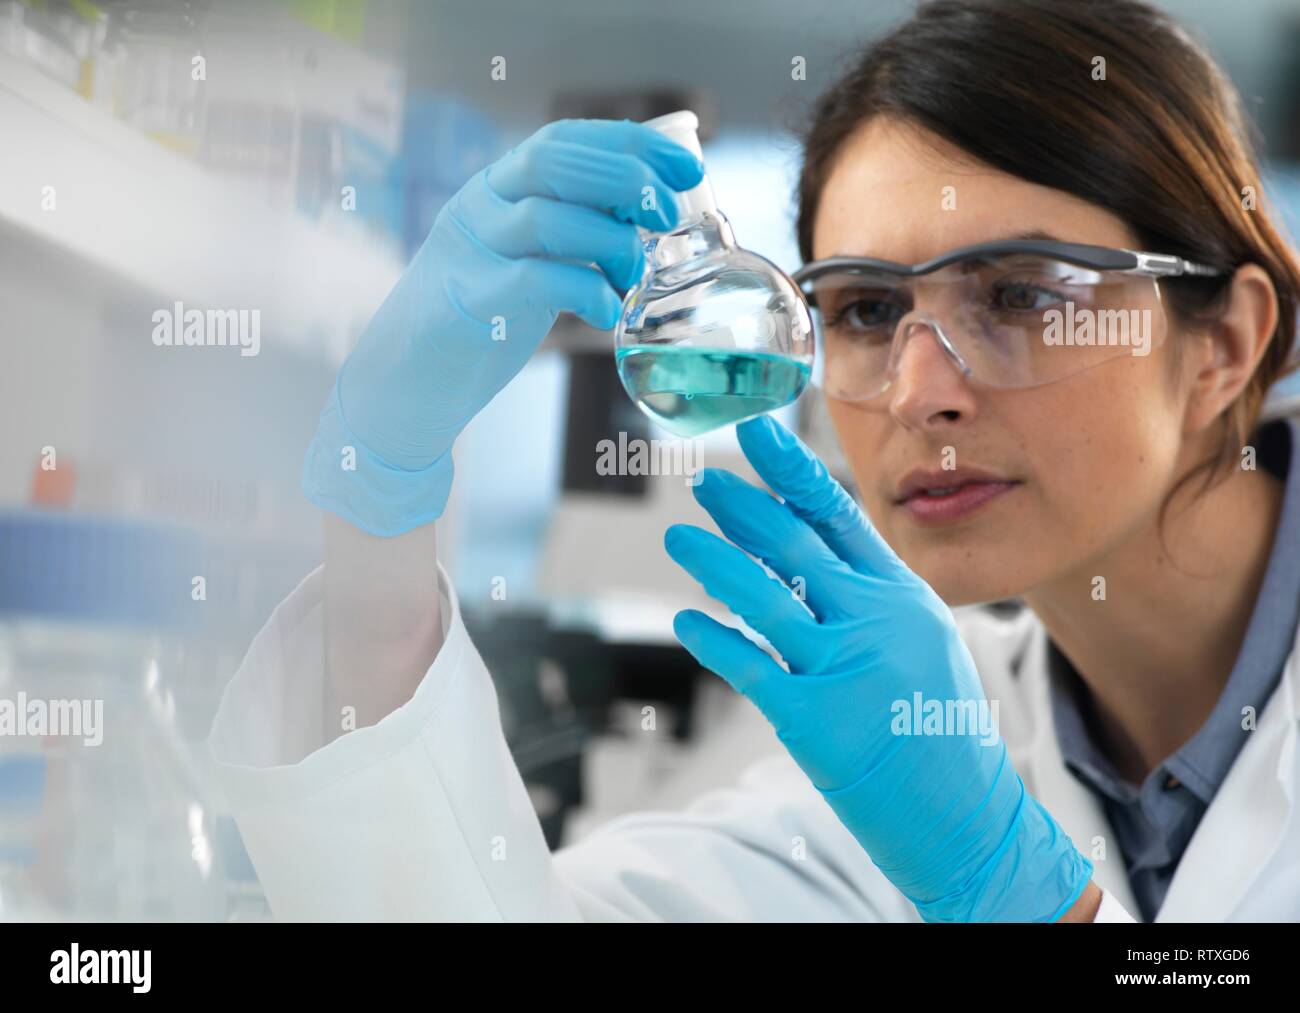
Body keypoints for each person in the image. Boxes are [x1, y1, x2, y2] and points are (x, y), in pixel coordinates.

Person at [208, 0, 1300, 921]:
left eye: (1019, 295)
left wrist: (1017, 896)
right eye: (868, 308)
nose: (921, 391)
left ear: (1224, 342)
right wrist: (378, 516)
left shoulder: (947, 791)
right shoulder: (906, 754)